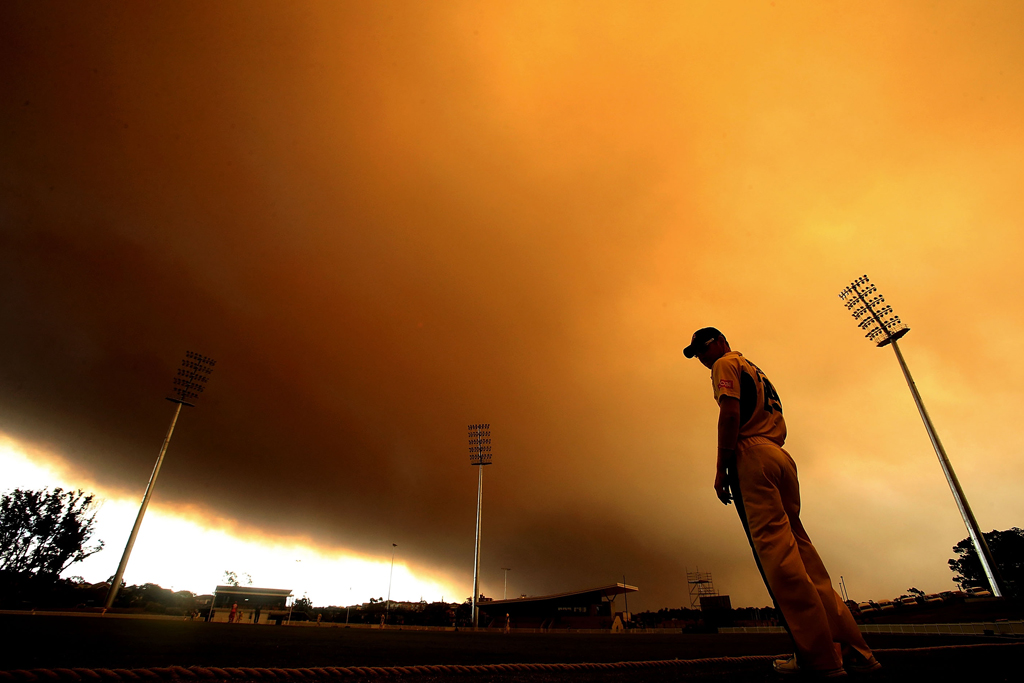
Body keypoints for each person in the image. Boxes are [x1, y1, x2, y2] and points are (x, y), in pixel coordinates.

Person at [683, 327, 881, 677]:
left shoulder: (725, 365)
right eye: (697, 352)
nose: (701, 356)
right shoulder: (753, 367)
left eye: (703, 348)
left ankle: (819, 659)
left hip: (752, 454)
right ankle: (853, 650)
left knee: (779, 559)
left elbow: (729, 414)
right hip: (780, 455)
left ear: (721, 342)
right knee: (806, 559)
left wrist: (721, 468)